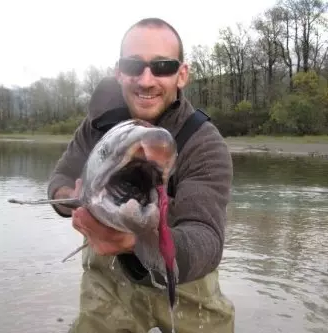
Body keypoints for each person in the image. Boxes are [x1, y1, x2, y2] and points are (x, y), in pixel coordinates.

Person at [47, 17, 235, 333]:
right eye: (134, 65)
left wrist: (135, 242)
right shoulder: (96, 125)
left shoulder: (205, 143)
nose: (146, 80)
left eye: (162, 67)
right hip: (107, 278)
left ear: (182, 74)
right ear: (119, 70)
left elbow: (206, 238)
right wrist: (74, 200)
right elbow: (59, 181)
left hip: (183, 277)